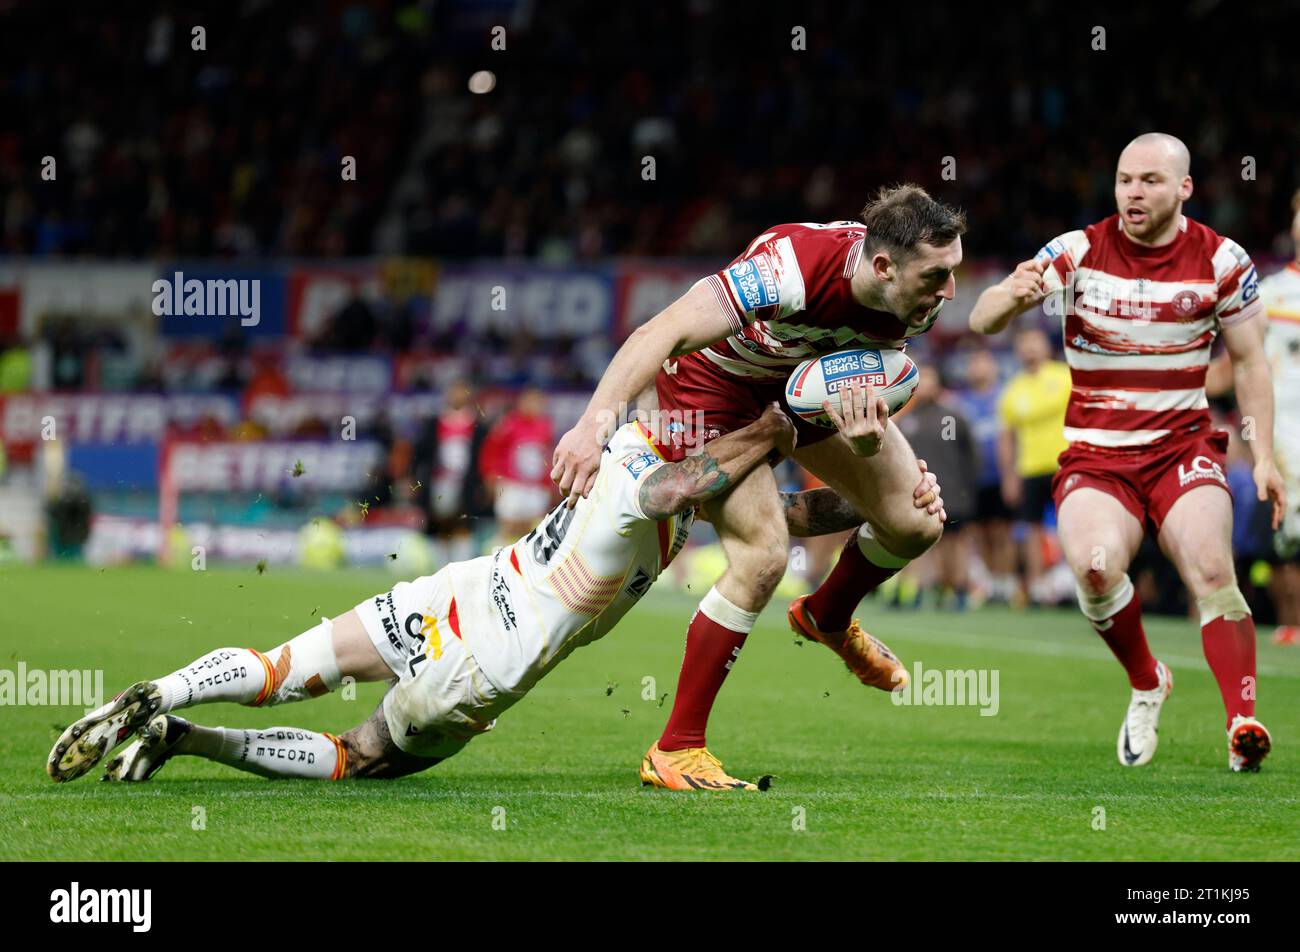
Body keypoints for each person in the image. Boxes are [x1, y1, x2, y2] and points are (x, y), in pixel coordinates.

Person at [47, 402, 944, 788]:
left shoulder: (658, 449)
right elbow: (678, 494)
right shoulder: (656, 473)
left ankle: (162, 694)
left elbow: (773, 513)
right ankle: (186, 736)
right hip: (484, 664)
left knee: (288, 665)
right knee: (356, 756)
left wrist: (881, 496)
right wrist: (773, 428)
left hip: (463, 591)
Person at [551, 185, 959, 788]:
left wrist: (870, 445)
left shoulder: (916, 300)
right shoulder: (788, 269)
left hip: (796, 389)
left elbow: (856, 377)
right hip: (711, 390)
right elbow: (657, 333)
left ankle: (827, 615)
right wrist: (592, 425)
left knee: (916, 519)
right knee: (765, 554)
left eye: (952, 271)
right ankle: (677, 749)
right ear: (882, 266)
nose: (948, 290)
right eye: (936, 275)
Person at [969, 132, 1285, 772]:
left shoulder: (1223, 260)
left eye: (1150, 181)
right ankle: (1147, 680)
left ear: (1184, 188)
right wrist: (1012, 295)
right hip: (1098, 457)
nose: (1134, 193)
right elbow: (981, 318)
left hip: (1182, 447)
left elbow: (1250, 364)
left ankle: (1241, 722)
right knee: (1092, 568)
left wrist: (1267, 456)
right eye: (1125, 180)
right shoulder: (1077, 252)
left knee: (1212, 568)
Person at [996, 326, 1071, 605]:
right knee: (1031, 528)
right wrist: (1008, 476)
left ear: (1045, 346)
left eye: (1034, 342)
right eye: (1024, 344)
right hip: (1029, 468)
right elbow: (1007, 437)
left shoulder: (1064, 375)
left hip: (1066, 463)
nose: (1029, 349)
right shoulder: (1013, 389)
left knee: (1071, 524)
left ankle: (1074, 581)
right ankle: (1039, 586)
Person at [895, 365, 979, 607]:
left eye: (929, 377)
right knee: (923, 543)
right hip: (919, 493)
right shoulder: (907, 418)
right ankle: (919, 592)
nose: (924, 384)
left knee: (956, 543)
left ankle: (960, 590)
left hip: (953, 492)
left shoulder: (950, 416)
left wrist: (965, 487)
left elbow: (969, 455)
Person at [955, 348, 1017, 603]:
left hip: (1000, 476)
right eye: (974, 364)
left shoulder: (1006, 396)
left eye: (983, 363)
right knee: (980, 533)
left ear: (993, 367)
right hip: (974, 479)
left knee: (1002, 531)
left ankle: (1006, 583)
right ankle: (990, 583)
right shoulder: (961, 403)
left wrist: (1012, 474)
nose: (978, 369)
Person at [413, 381, 492, 561]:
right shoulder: (435, 423)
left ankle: (461, 563)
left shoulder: (478, 426)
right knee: (440, 522)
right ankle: (441, 564)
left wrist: (483, 482)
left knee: (463, 522)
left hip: (466, 483)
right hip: (440, 482)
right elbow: (421, 453)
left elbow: (484, 455)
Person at [481, 387, 556, 542]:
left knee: (534, 529)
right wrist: (491, 475)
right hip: (512, 484)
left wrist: (549, 484)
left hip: (536, 487)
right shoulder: (509, 424)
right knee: (508, 526)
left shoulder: (545, 426)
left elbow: (547, 457)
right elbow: (491, 451)